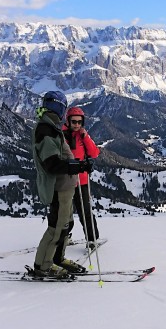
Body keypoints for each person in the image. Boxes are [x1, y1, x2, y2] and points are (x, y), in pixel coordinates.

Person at [30, 91, 90, 278]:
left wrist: (77, 165)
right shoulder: (46, 130)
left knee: (66, 224)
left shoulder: (51, 127)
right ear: (59, 107)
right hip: (58, 188)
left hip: (66, 187)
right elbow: (52, 163)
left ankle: (57, 258)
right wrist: (78, 165)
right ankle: (43, 266)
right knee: (57, 226)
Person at [54, 106, 101, 259]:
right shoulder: (61, 135)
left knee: (85, 212)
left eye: (80, 122)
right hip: (66, 180)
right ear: (68, 120)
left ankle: (92, 238)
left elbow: (94, 153)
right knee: (65, 213)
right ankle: (65, 236)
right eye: (74, 121)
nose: (77, 125)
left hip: (82, 181)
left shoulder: (82, 136)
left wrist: (85, 136)